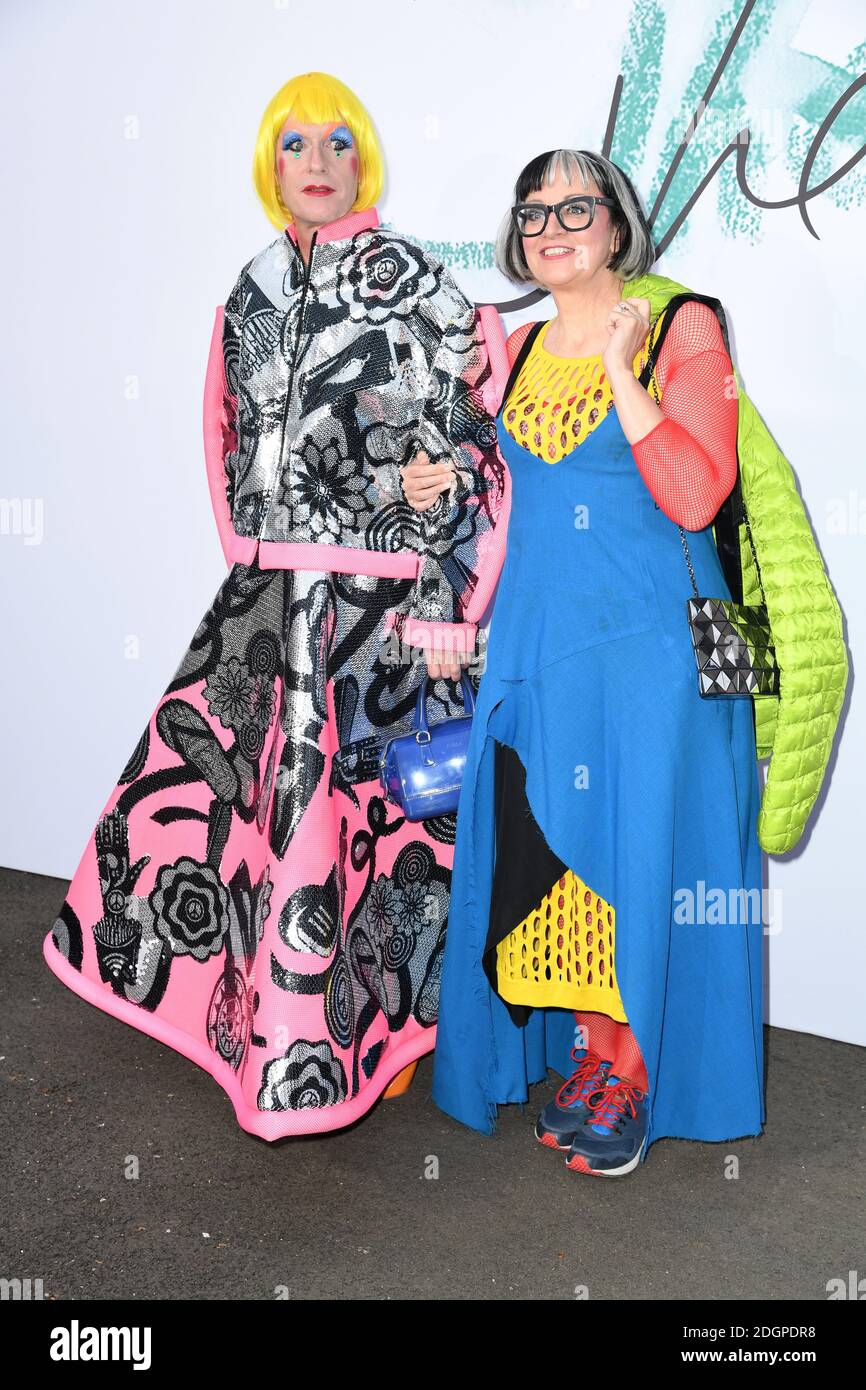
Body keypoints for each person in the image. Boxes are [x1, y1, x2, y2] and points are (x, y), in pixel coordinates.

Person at [43, 71, 509, 1141]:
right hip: (271, 594)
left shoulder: (424, 286)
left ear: (362, 160)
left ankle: (375, 1032)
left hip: (381, 604)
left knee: (371, 823)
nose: (313, 160)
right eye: (292, 141)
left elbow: (473, 433)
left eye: (334, 141)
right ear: (270, 160)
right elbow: (223, 435)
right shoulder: (250, 284)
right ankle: (267, 1024)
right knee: (262, 817)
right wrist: (256, 563)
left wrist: (445, 590)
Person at [430, 147, 767, 1177]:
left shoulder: (682, 329)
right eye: (532, 213)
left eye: (575, 205)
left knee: (639, 861)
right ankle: (591, 1052)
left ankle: (638, 1069)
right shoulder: (516, 348)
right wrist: (435, 471)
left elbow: (695, 495)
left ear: (615, 223)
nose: (552, 226)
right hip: (537, 654)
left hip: (652, 660)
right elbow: (491, 494)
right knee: (552, 863)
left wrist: (623, 372)